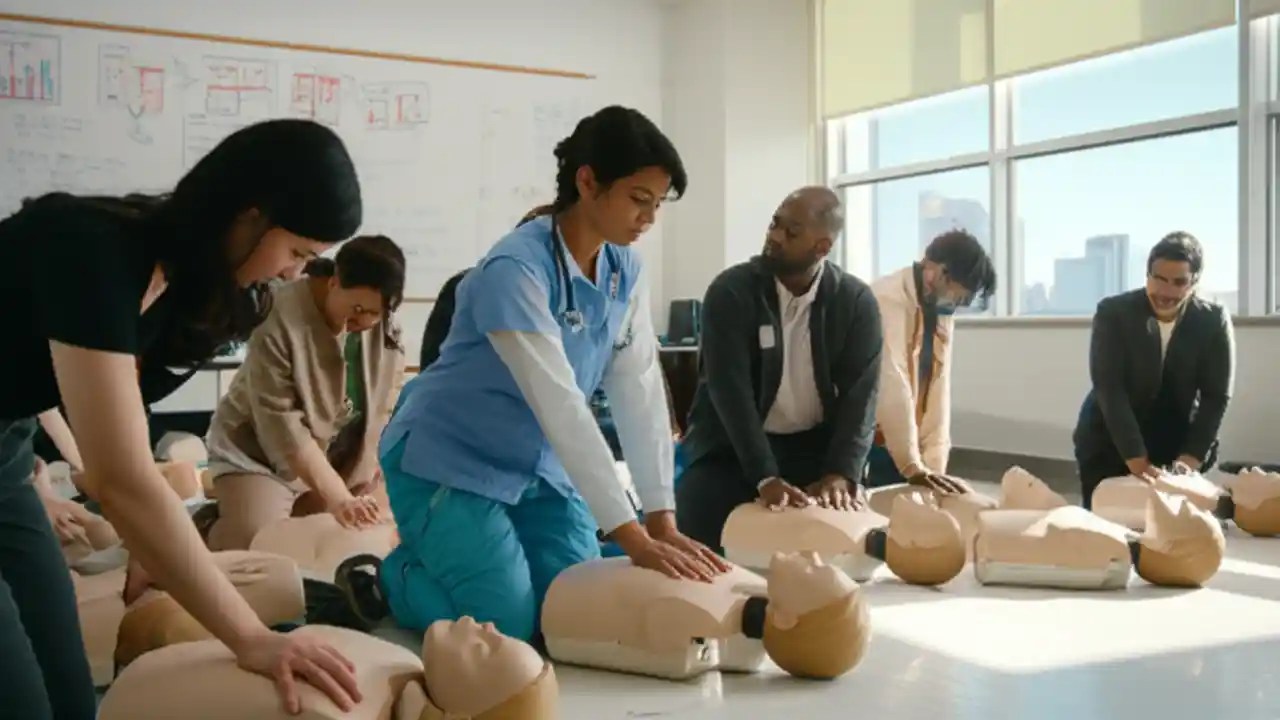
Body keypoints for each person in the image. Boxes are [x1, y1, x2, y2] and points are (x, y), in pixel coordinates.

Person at [0, 118, 366, 718]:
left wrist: (149, 542)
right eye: (297, 252)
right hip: (16, 452)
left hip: (7, 451)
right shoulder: (89, 246)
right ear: (249, 213)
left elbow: (125, 432)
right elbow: (119, 482)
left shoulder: (196, 295)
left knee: (68, 692)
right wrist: (251, 638)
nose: (294, 273)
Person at [339, 106, 727, 644]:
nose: (649, 219)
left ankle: (454, 563)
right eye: (639, 199)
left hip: (537, 467)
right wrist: (632, 538)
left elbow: (637, 389)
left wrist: (661, 519)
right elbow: (560, 403)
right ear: (587, 181)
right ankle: (391, 579)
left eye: (657, 204)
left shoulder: (624, 271)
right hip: (449, 461)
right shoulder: (515, 269)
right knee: (509, 626)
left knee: (570, 611)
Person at [674, 187, 883, 555]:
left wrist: (841, 472)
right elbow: (729, 392)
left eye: (792, 232)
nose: (774, 236)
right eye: (775, 224)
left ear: (822, 247)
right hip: (731, 448)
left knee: (838, 537)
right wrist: (765, 476)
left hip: (811, 449)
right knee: (699, 520)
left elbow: (860, 397)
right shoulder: (731, 292)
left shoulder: (855, 303)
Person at [203, 234, 407, 551]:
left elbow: (386, 401)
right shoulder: (278, 314)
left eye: (375, 313)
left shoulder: (382, 325)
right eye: (356, 309)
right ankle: (202, 528)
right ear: (334, 282)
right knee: (259, 542)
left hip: (335, 460)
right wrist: (338, 497)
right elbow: (281, 424)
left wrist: (367, 471)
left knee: (340, 539)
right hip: (260, 453)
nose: (364, 321)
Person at [1073, 232, 1235, 509]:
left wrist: (1190, 460)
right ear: (1147, 275)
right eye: (1159, 279)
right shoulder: (1113, 313)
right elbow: (1109, 388)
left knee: (1167, 532)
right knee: (1104, 524)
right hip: (1110, 436)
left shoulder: (1212, 321)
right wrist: (1136, 459)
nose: (1166, 292)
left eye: (1179, 282)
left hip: (1175, 440)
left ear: (1194, 282)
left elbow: (1215, 396)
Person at [865, 230, 997, 494]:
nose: (956, 305)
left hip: (907, 436)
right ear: (935, 272)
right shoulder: (884, 299)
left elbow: (939, 387)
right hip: (875, 436)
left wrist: (935, 465)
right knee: (882, 514)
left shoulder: (939, 308)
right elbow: (893, 384)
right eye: (957, 297)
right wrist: (912, 465)